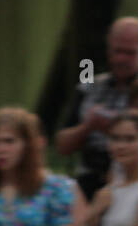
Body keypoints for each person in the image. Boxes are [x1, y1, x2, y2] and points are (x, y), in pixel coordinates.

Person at [54, 17, 138, 199]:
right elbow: (62, 145)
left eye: (130, 53)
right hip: (89, 178)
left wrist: (119, 125)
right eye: (117, 51)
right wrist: (87, 127)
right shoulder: (88, 86)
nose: (121, 59)